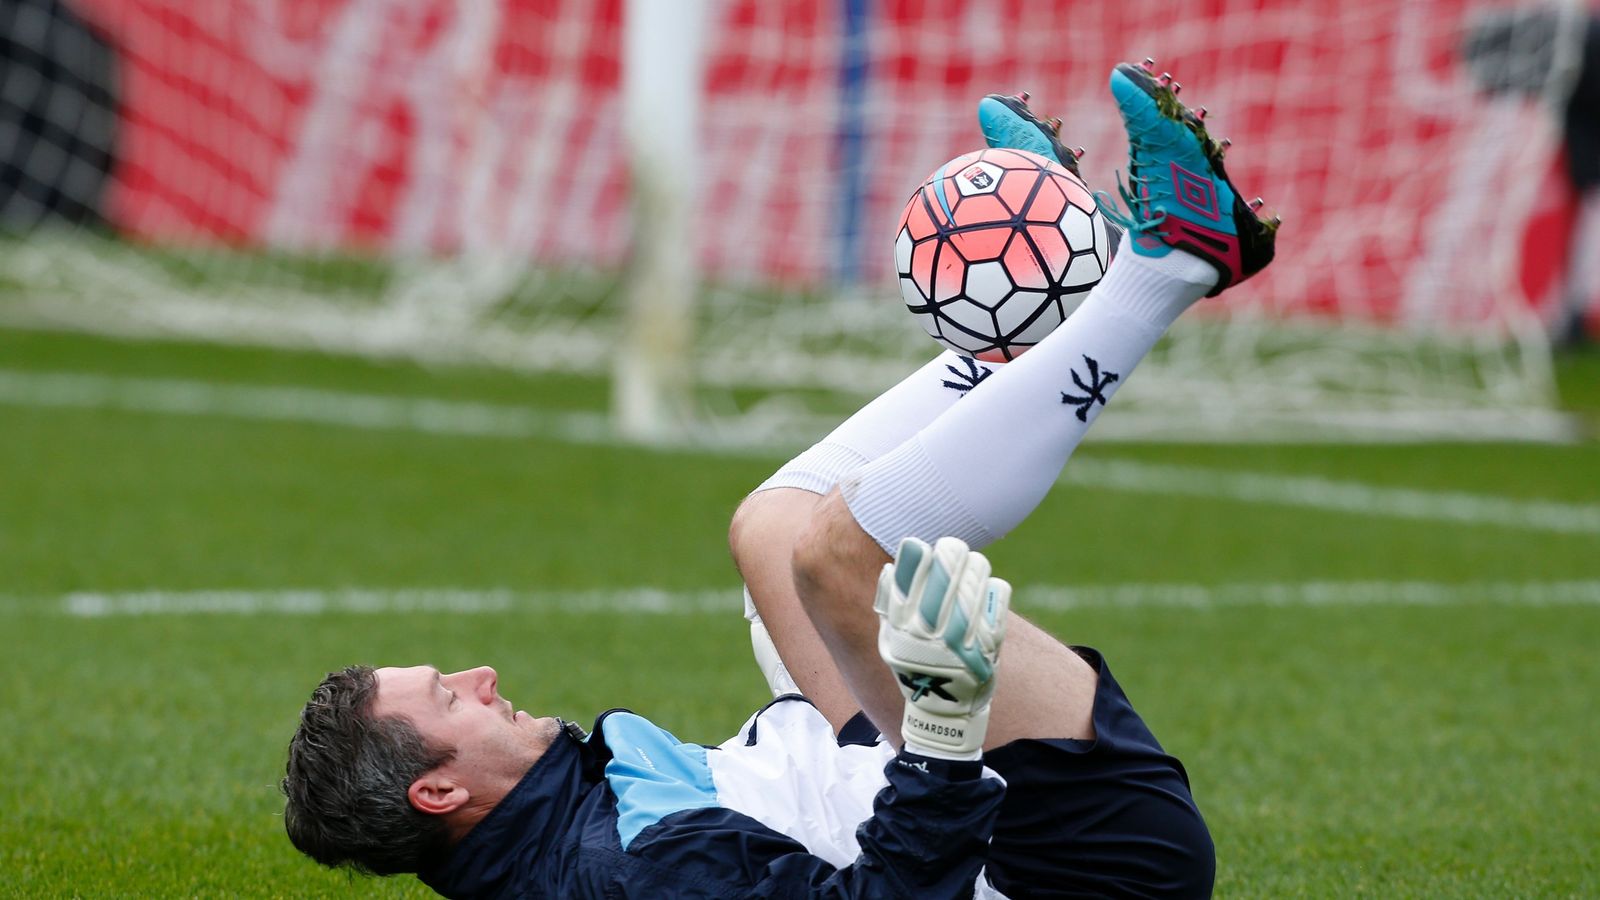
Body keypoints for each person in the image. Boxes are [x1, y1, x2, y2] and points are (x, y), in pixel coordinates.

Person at [280, 61, 1278, 898]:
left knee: (768, 531)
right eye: (448, 697)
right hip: (1070, 860)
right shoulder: (620, 874)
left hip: (898, 786)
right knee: (841, 555)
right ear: (439, 794)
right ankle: (1171, 264)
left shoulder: (554, 837)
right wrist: (936, 732)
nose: (479, 676)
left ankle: (1045, 313)